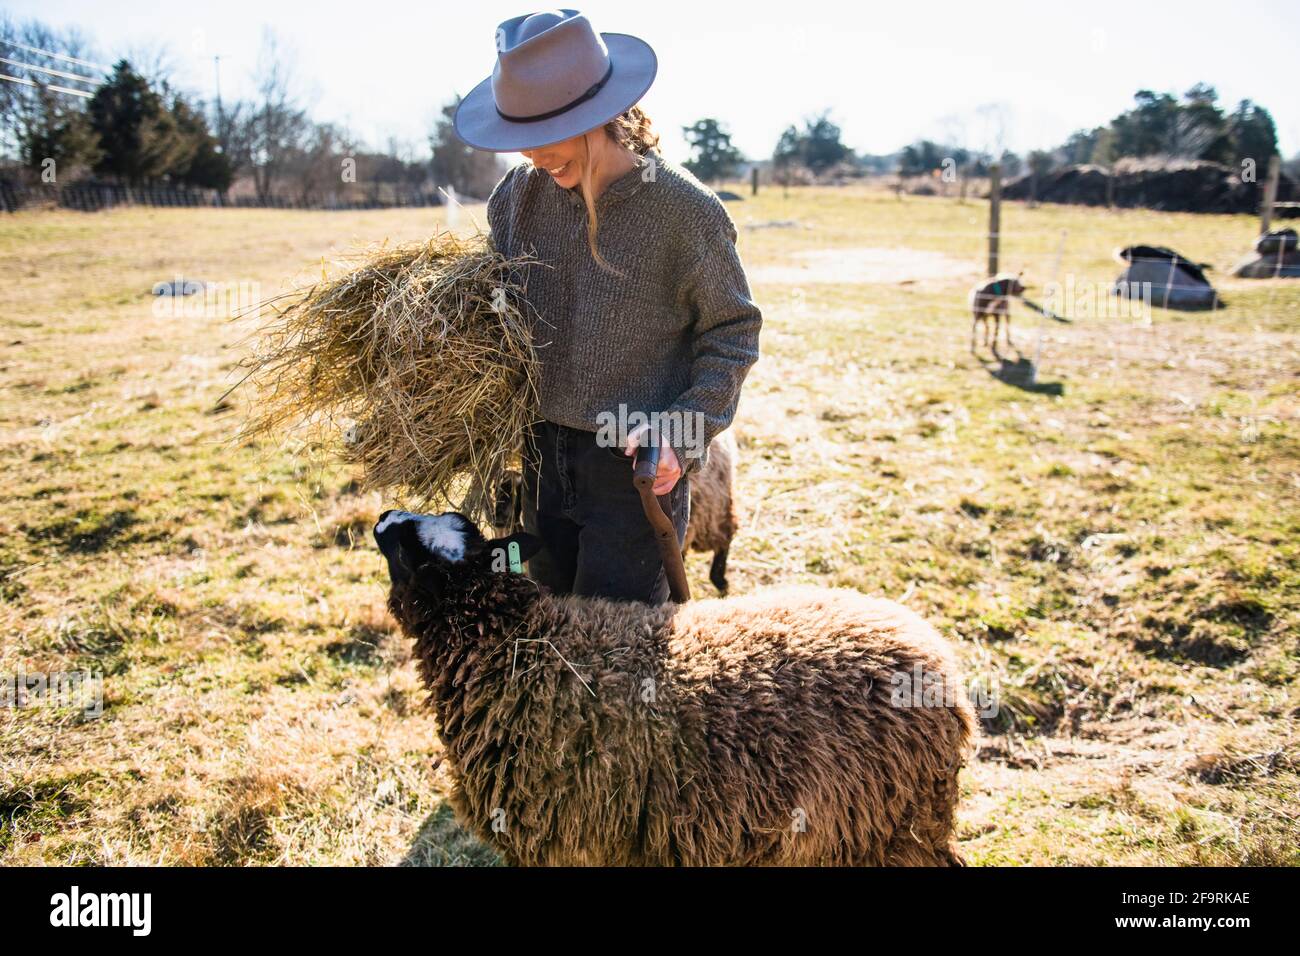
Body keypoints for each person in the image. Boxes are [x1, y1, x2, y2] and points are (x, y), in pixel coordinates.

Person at [454, 9, 761, 604]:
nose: (530, 155)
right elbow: (495, 310)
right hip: (538, 458)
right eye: (519, 135)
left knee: (621, 653)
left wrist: (683, 429)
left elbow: (733, 332)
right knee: (551, 629)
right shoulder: (518, 198)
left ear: (597, 115)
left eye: (545, 133)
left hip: (632, 469)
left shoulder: (684, 212)